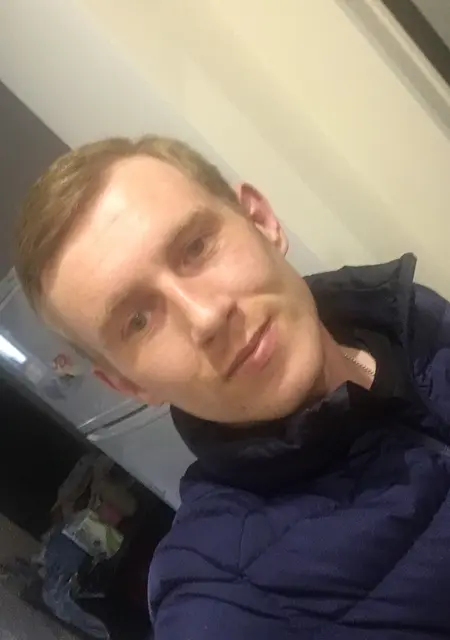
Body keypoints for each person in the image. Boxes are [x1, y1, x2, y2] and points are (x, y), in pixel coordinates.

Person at [14, 135, 450, 640]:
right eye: (137, 321)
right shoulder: (223, 601)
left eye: (196, 247)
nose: (206, 317)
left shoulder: (407, 315)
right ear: (129, 384)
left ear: (261, 221)